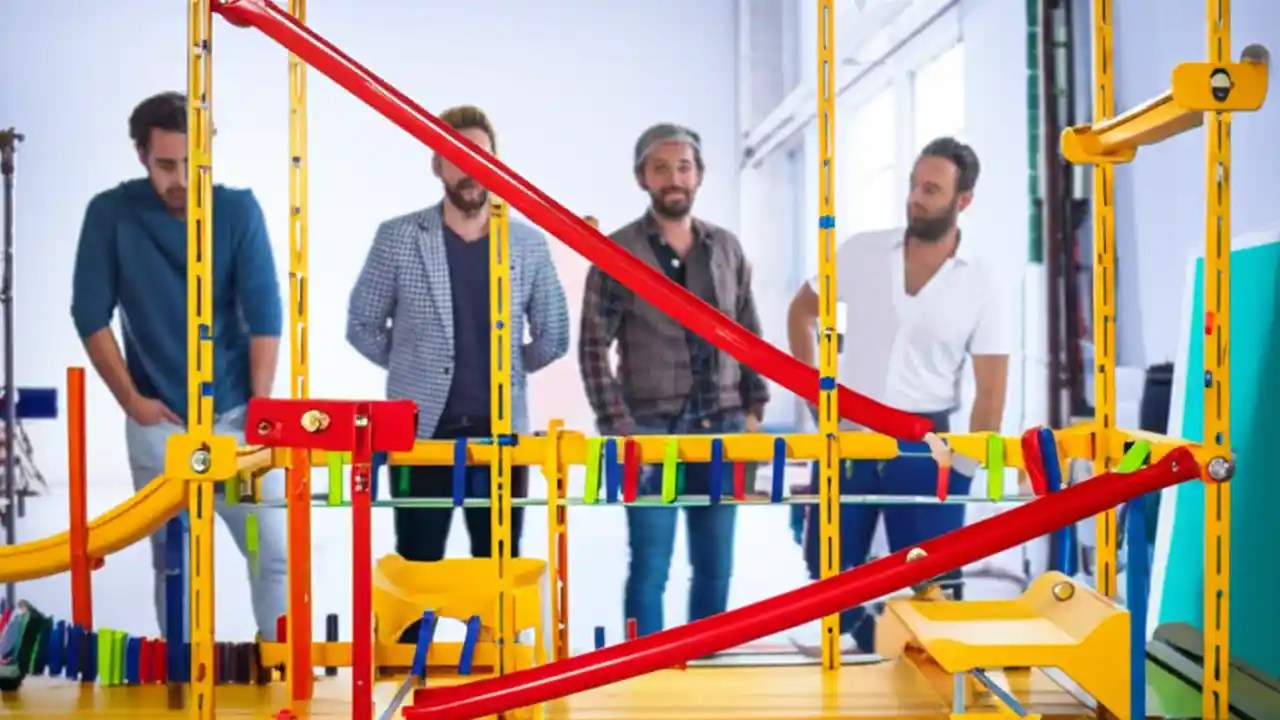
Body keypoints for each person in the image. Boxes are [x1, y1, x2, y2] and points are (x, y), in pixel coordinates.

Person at [70, 91, 288, 640]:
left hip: (237, 421)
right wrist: (131, 401)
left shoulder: (238, 211)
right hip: (160, 426)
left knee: (272, 551)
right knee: (176, 563)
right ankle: (182, 673)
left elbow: (265, 313)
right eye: (167, 164)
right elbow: (89, 312)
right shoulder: (111, 214)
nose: (182, 177)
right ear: (142, 154)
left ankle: (280, 661)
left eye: (194, 162)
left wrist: (259, 408)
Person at [785, 137, 1011, 654]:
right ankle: (857, 647)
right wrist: (811, 392)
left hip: (925, 444)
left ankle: (912, 672)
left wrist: (963, 473)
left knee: (930, 583)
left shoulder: (981, 283)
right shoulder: (861, 251)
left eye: (932, 189)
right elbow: (801, 311)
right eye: (914, 185)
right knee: (828, 571)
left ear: (963, 201)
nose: (916, 197)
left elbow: (991, 392)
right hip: (849, 435)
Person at [346, 105, 569, 563]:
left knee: (499, 569)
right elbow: (361, 325)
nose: (471, 169)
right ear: (436, 163)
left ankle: (493, 641)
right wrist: (416, 363)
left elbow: (554, 335)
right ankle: (413, 640)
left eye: (481, 156)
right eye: (456, 155)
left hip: (503, 439)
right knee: (415, 565)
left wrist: (504, 364)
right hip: (419, 437)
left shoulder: (526, 243)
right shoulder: (399, 237)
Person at [579, 123, 770, 637]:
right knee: (649, 567)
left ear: (699, 175)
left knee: (715, 567)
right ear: (642, 177)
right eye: (660, 168)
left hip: (725, 425)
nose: (673, 178)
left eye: (683, 167)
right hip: (650, 428)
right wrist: (618, 426)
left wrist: (755, 404)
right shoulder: (616, 253)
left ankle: (706, 671)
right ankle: (645, 674)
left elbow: (748, 328)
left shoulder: (726, 247)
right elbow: (593, 346)